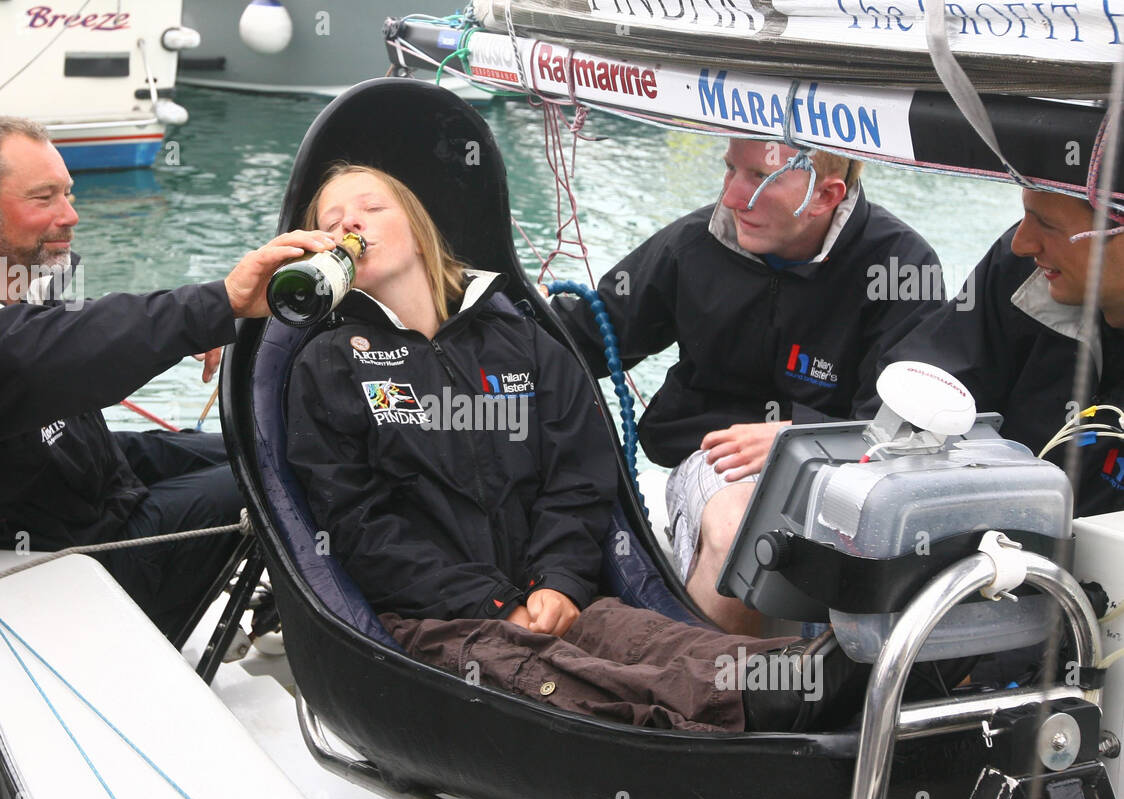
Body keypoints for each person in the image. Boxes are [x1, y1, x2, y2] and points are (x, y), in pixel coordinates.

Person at [285, 162, 876, 733]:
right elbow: (357, 526)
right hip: (431, 625)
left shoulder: (521, 340)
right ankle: (750, 715)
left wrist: (560, 580)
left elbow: (577, 477)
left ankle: (849, 681)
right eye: (331, 223)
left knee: (646, 641)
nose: (349, 227)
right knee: (550, 679)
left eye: (370, 208)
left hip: (557, 598)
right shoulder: (329, 364)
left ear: (418, 230)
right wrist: (494, 604)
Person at [0, 115, 338, 638]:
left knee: (264, 443)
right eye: (44, 199)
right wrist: (213, 306)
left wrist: (213, 319)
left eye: (68, 193)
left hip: (73, 490)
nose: (70, 215)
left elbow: (72, 337)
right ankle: (323, 633)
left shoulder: (19, 276)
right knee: (278, 469)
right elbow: (32, 356)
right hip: (59, 563)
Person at [561, 139, 942, 635]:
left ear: (826, 196)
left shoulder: (902, 267)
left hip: (851, 472)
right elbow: (584, 337)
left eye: (760, 180)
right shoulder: (695, 243)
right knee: (738, 530)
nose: (733, 197)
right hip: (717, 455)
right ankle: (704, 696)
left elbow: (907, 428)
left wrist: (800, 437)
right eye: (730, 170)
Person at [882, 188, 1124, 515]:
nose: (1021, 243)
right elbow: (919, 388)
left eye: (1048, 225)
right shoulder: (1023, 270)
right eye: (1025, 215)